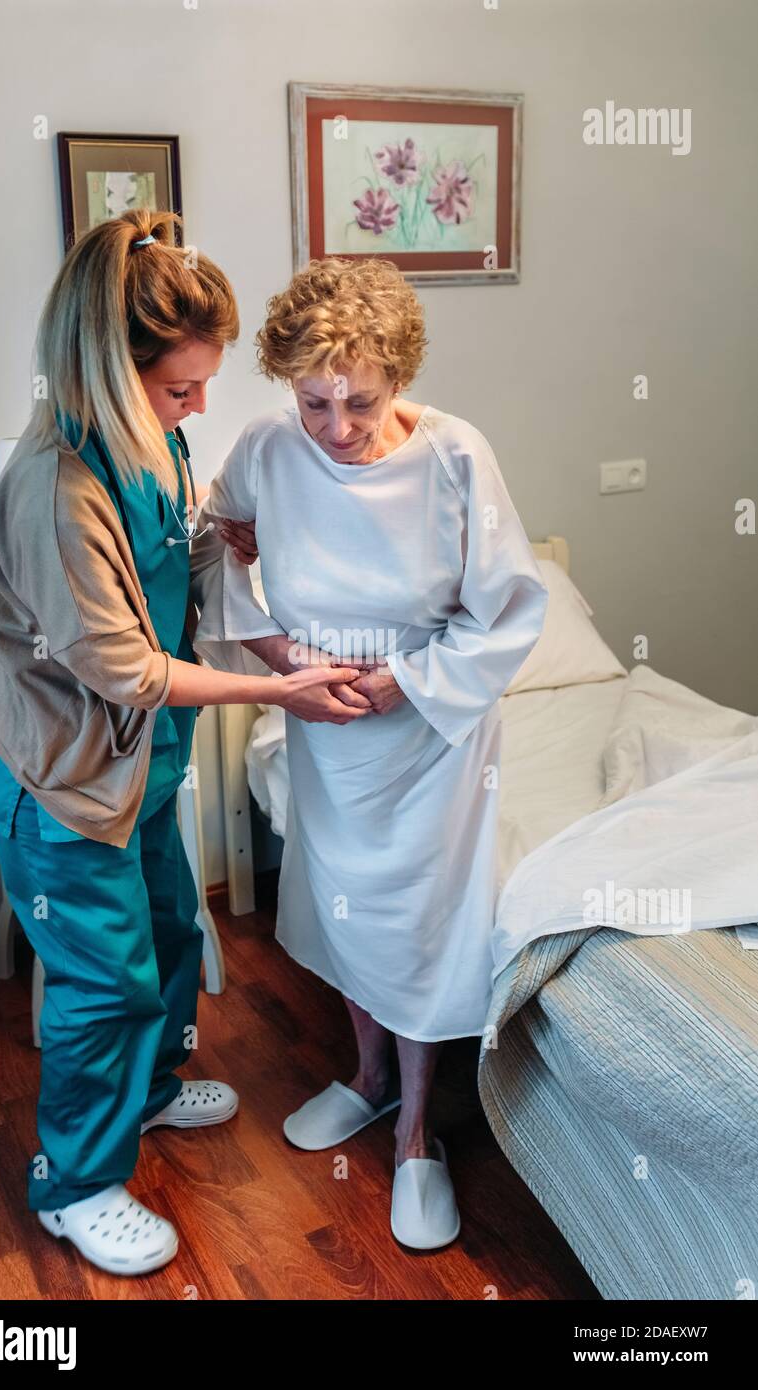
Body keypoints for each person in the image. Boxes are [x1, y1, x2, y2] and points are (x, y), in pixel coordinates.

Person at [0, 212, 365, 1277]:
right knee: (103, 983)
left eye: (203, 385)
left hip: (141, 754)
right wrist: (280, 688)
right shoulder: (56, 485)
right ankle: (75, 1183)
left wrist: (219, 530)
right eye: (180, 388)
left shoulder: (154, 438)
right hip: (61, 773)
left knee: (171, 931)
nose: (197, 407)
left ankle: (146, 1093)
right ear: (107, 365)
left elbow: (169, 544)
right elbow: (125, 668)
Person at [194, 256, 550, 1250]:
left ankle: (413, 1132)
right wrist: (277, 656)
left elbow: (511, 609)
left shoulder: (454, 457)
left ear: (397, 377)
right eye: (315, 402)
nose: (338, 428)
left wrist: (403, 681)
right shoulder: (267, 447)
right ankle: (363, 1076)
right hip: (323, 727)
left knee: (419, 922)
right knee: (344, 905)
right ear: (286, 382)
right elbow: (213, 546)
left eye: (361, 401)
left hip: (431, 728)